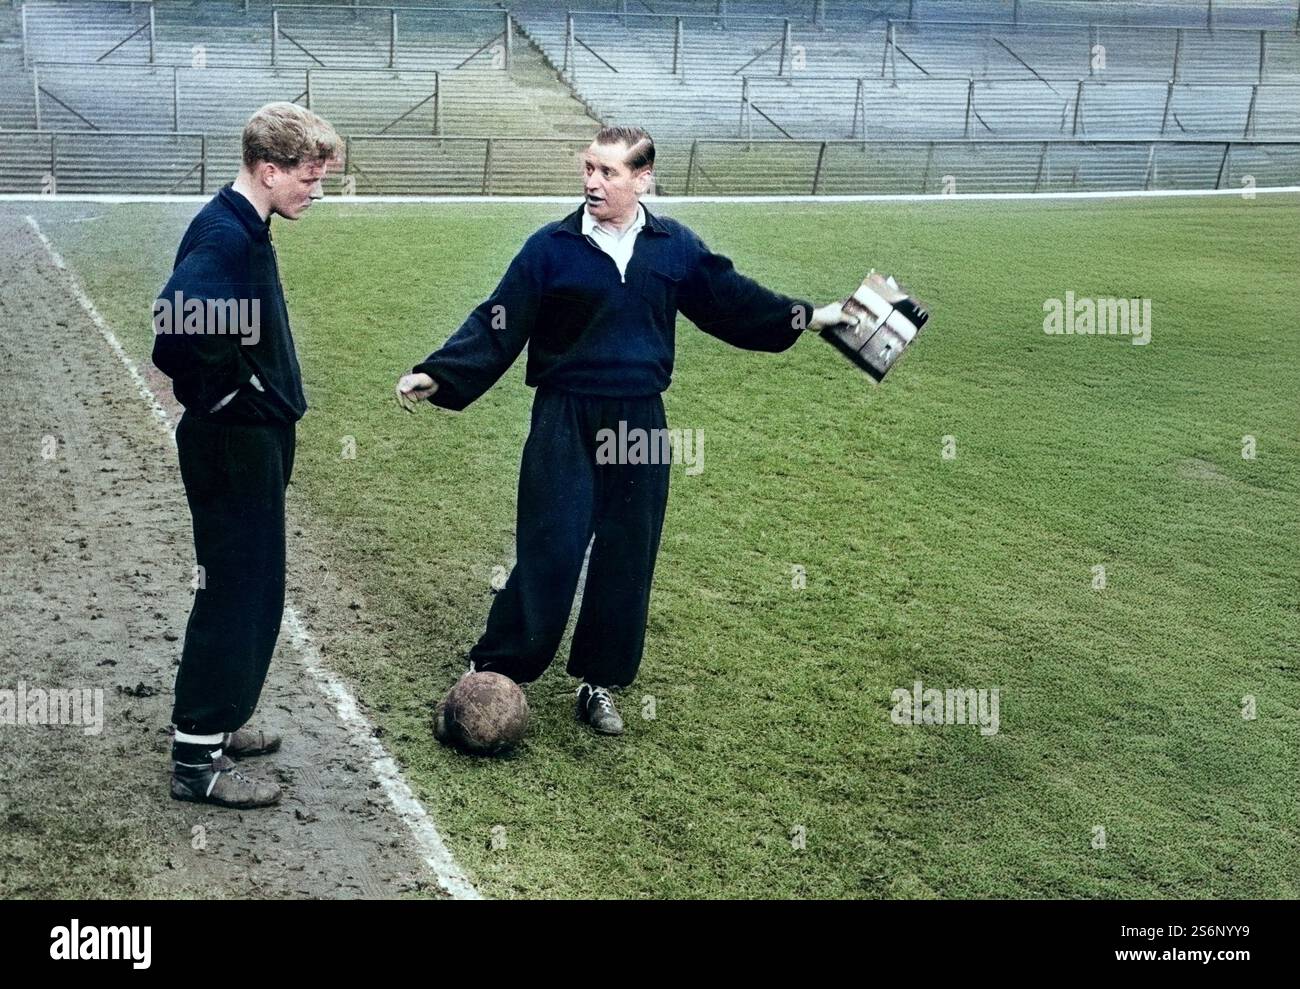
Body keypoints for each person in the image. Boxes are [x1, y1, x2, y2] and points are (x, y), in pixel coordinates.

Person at [397, 126, 853, 736]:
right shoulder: (551, 247)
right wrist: (439, 372)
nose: (592, 181)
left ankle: (599, 681)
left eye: (608, 172)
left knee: (626, 552)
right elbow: (500, 318)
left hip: (640, 419)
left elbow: (736, 302)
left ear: (643, 179)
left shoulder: (673, 247)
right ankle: (496, 668)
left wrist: (817, 317)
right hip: (565, 415)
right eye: (589, 168)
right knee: (551, 544)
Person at [153, 102, 341, 807]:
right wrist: (230, 397)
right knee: (236, 591)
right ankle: (197, 760)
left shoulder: (243, 225)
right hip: (231, 444)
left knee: (254, 587)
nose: (315, 193)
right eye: (309, 179)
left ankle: (220, 721)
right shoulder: (225, 238)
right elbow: (175, 332)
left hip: (248, 441)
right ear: (270, 169)